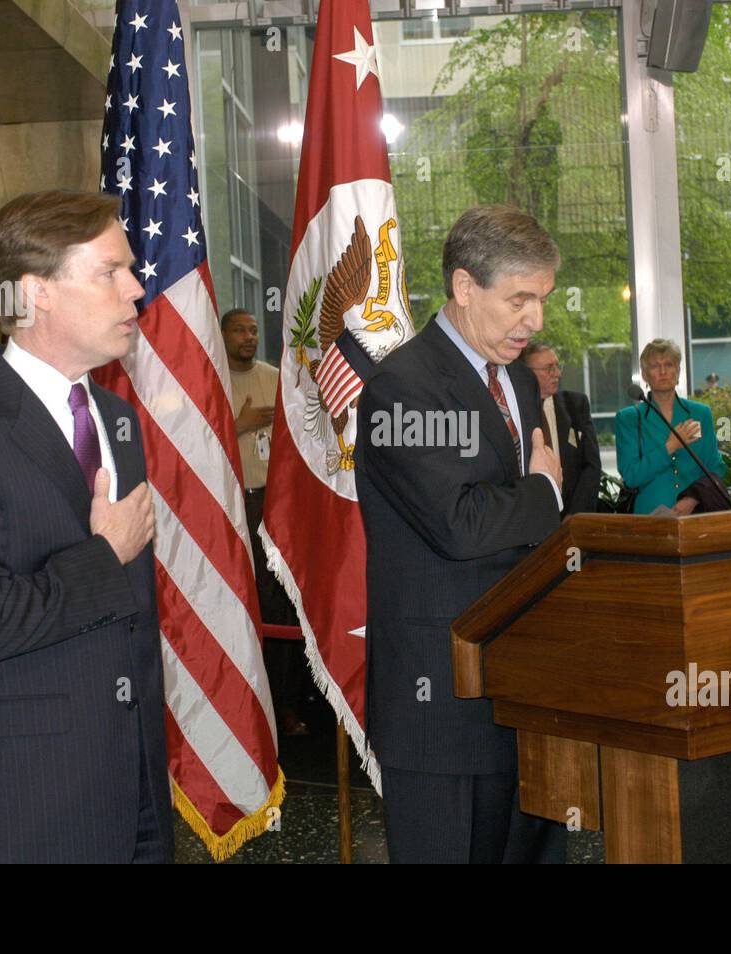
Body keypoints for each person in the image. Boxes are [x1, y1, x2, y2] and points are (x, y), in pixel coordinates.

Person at [0, 190, 173, 862]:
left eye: (129, 270)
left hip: (137, 794)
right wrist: (103, 557)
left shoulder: (116, 420)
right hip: (32, 809)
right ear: (35, 293)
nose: (135, 290)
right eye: (109, 272)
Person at [355, 204, 566, 863]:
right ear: (465, 288)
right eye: (520, 299)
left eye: (543, 299)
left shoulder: (518, 382)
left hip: (523, 690)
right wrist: (546, 492)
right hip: (440, 702)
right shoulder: (402, 387)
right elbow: (462, 523)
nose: (536, 320)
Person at [223, 307, 307, 737]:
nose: (249, 336)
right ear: (223, 335)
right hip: (231, 503)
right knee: (240, 603)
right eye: (240, 329)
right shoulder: (209, 379)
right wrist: (238, 426)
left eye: (254, 329)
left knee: (281, 606)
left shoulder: (275, 378)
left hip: (272, 504)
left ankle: (286, 705)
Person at [614, 340, 724, 515]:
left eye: (669, 365)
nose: (663, 372)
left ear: (678, 371)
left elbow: (715, 467)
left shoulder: (700, 413)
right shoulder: (629, 419)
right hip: (649, 518)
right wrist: (670, 447)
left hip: (697, 514)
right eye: (655, 366)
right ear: (644, 375)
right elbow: (631, 476)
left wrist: (692, 499)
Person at [522, 341, 602, 515]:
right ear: (526, 373)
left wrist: (575, 517)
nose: (557, 373)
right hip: (530, 518)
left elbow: (592, 466)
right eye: (549, 368)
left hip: (572, 516)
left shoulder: (576, 405)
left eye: (558, 366)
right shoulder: (516, 412)